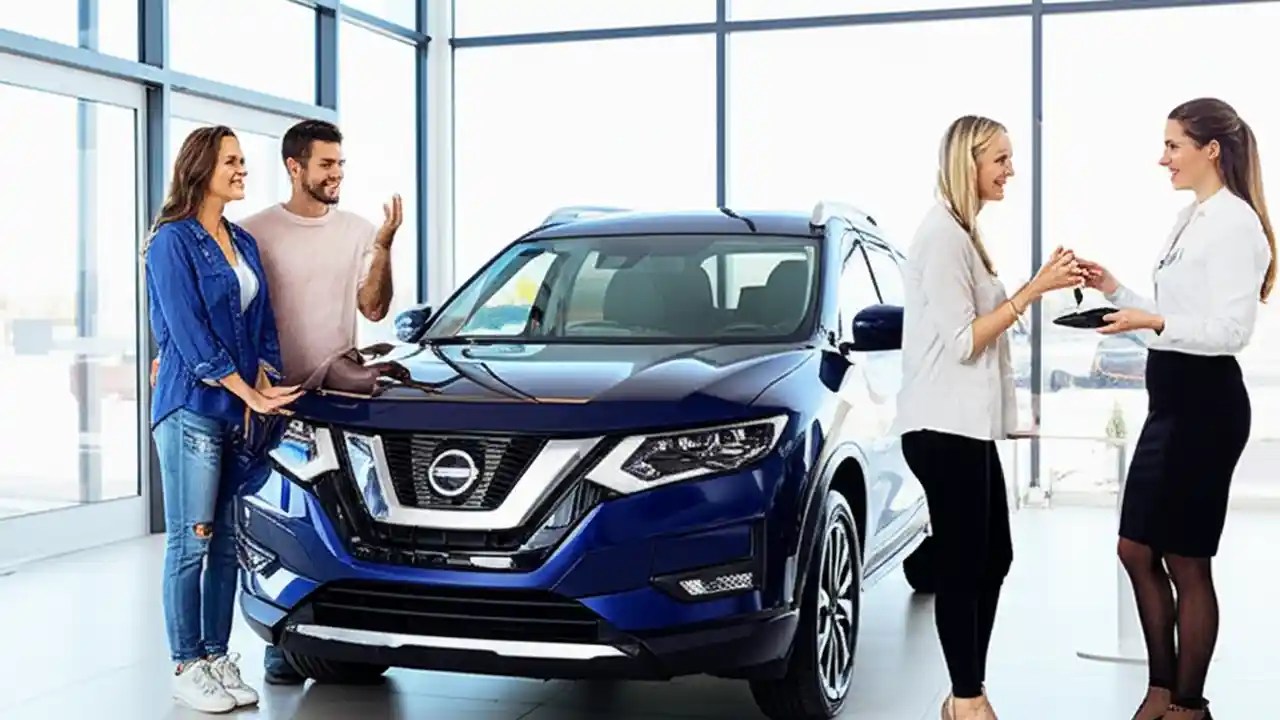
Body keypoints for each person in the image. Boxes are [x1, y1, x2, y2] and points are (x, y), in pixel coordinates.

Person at [1076, 97, 1273, 720]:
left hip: (1207, 409)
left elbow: (1230, 332)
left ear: (1211, 149)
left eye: (1173, 146)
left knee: (1187, 558)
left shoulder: (1236, 224)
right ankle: (1161, 688)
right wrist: (1114, 291)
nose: (1163, 159)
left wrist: (1153, 320)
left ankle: (1187, 704)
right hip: (1171, 404)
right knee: (1135, 549)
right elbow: (1171, 321)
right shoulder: (1191, 219)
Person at [893, 115, 1084, 720]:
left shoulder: (962, 234)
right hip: (940, 427)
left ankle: (965, 693)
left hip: (966, 427)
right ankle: (968, 699)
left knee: (993, 556)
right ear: (968, 163)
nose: (1010, 171)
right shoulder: (942, 237)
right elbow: (963, 341)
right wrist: (1033, 290)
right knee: (963, 562)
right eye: (1000, 159)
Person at [237, 119, 401, 683]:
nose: (337, 174)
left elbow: (373, 308)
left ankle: (351, 634)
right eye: (327, 164)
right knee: (276, 523)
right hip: (272, 404)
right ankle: (279, 639)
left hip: (336, 404)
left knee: (345, 524)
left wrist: (383, 247)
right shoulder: (254, 232)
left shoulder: (357, 230)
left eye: (340, 164)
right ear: (295, 167)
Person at [144, 125, 302, 712]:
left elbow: (262, 326)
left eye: (242, 161)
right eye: (231, 161)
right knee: (192, 541)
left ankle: (215, 656)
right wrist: (244, 391)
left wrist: (266, 381)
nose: (242, 170)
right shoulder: (171, 242)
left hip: (238, 412)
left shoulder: (243, 241)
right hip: (191, 408)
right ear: (201, 169)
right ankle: (186, 663)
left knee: (229, 545)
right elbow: (188, 335)